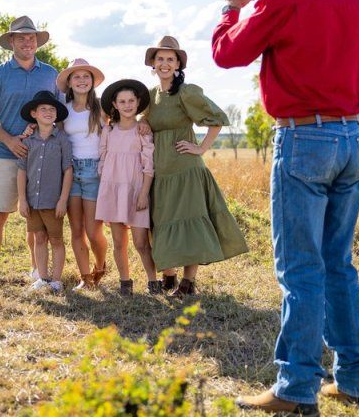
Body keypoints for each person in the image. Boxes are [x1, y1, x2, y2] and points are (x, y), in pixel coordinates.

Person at [212, 0, 359, 415]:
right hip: (349, 136)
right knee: (337, 264)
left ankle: (296, 386)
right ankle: (354, 378)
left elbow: (227, 54)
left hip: (303, 138)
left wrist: (233, 9)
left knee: (301, 268)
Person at [144, 36, 248, 298]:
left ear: (178, 64)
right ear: (153, 64)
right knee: (161, 222)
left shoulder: (186, 92)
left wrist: (201, 148)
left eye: (170, 59)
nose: (165, 63)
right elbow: (142, 121)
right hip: (159, 171)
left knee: (190, 222)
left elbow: (217, 119)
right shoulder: (151, 95)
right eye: (160, 59)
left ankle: (188, 282)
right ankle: (169, 275)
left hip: (185, 170)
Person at [0, 16, 59, 291]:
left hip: (41, 156)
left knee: (37, 219)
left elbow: (60, 114)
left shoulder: (51, 74)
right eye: (21, 37)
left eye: (31, 37)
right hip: (5, 153)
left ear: (37, 41)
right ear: (11, 41)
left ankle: (37, 270)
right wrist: (9, 140)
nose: (27, 42)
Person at [95, 79, 158, 295]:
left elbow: (149, 166)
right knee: (118, 242)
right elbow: (103, 159)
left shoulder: (143, 131)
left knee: (141, 243)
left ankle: (153, 282)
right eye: (122, 101)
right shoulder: (108, 130)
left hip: (136, 189)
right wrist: (106, 189)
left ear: (138, 102)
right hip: (113, 189)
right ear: (115, 104)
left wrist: (143, 194)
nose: (127, 105)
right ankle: (125, 283)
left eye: (131, 100)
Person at [56, 58, 110, 290]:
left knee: (93, 230)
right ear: (69, 82)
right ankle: (85, 278)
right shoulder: (64, 110)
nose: (81, 80)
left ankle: (100, 266)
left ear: (92, 81)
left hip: (94, 171)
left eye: (85, 76)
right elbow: (58, 137)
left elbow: (120, 126)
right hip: (70, 170)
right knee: (76, 230)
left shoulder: (101, 107)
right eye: (76, 76)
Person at [16, 90, 74, 292]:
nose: (48, 112)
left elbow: (68, 170)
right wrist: (22, 199)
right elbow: (22, 171)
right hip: (32, 200)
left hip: (53, 200)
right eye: (43, 109)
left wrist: (63, 200)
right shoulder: (27, 141)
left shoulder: (62, 139)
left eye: (52, 109)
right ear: (34, 114)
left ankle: (56, 280)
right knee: (39, 238)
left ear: (56, 114)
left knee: (56, 239)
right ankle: (43, 278)